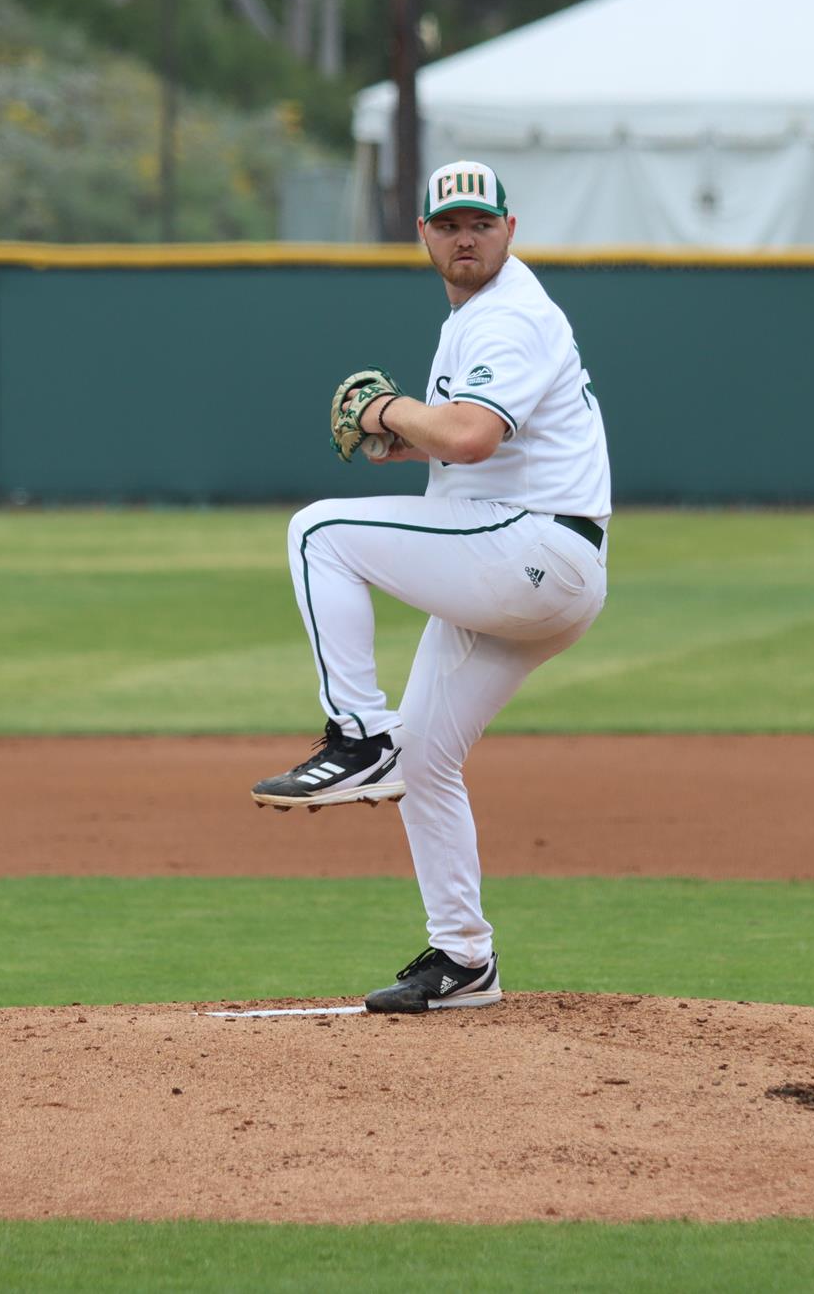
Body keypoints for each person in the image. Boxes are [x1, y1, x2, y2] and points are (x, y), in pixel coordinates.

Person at [251, 160, 613, 1014]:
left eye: (480, 223)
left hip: (533, 548)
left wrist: (386, 413)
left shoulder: (507, 318)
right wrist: (408, 439)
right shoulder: (485, 317)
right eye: (448, 223)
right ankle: (463, 957)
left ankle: (355, 735)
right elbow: (463, 441)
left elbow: (473, 435)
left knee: (319, 532)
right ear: (424, 234)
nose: (464, 236)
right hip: (533, 562)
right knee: (430, 759)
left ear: (509, 229)